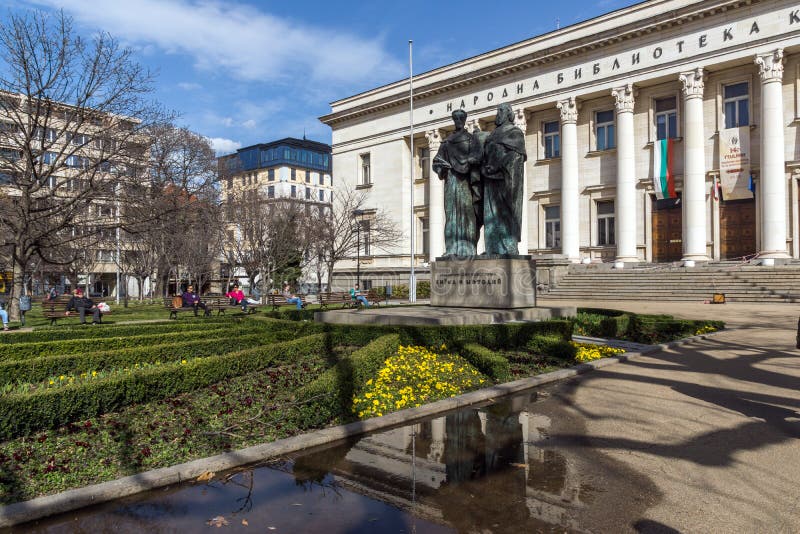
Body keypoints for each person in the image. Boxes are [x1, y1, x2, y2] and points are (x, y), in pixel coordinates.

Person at [431, 109, 483, 258]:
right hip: (451, 180)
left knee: (468, 214)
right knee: (451, 215)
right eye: (456, 119)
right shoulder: (447, 142)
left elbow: (478, 157)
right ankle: (451, 249)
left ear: (465, 120)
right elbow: (436, 161)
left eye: (461, 118)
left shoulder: (471, 139)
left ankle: (468, 248)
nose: (458, 121)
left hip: (466, 181)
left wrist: (468, 162)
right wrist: (442, 167)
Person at [481, 103, 527, 255]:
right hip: (490, 179)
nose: (498, 114)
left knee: (505, 211)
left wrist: (498, 166)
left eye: (501, 111)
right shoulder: (492, 134)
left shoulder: (515, 132)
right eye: (498, 111)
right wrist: (485, 166)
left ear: (509, 114)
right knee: (490, 214)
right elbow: (484, 155)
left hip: (505, 178)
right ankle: (492, 248)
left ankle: (508, 247)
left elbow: (516, 156)